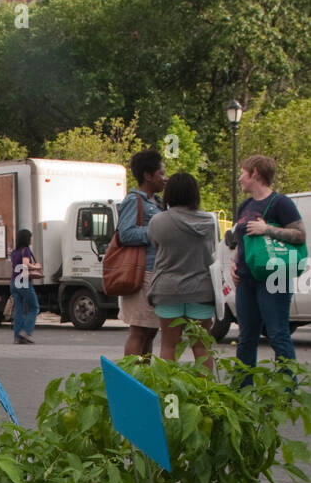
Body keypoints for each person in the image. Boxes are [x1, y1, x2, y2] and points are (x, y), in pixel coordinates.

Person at [230, 155, 306, 371]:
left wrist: (268, 229)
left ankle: (285, 392)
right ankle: (242, 389)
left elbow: (300, 235)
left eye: (243, 173)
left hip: (276, 276)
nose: (240, 178)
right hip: (247, 278)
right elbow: (242, 241)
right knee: (246, 336)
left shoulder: (281, 203)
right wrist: (234, 264)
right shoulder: (245, 205)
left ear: (255, 173)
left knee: (277, 333)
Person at [148, 173, 218, 370]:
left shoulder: (158, 221)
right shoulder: (210, 221)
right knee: (202, 347)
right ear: (195, 194)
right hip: (201, 290)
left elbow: (155, 245)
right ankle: (205, 394)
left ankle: (169, 392)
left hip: (167, 290)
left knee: (169, 345)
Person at [117, 150, 166, 357]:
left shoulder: (157, 202)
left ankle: (143, 379)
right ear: (148, 175)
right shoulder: (134, 200)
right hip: (142, 272)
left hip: (156, 271)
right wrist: (155, 232)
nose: (165, 178)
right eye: (161, 174)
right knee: (138, 330)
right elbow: (125, 234)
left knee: (150, 331)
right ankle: (130, 379)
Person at [10, 228, 41, 344]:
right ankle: (26, 331)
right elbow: (25, 264)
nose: (31, 239)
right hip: (23, 282)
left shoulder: (14, 252)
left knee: (19, 310)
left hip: (14, 282)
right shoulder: (26, 250)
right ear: (26, 238)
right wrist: (36, 267)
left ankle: (17, 337)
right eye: (30, 237)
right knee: (34, 307)